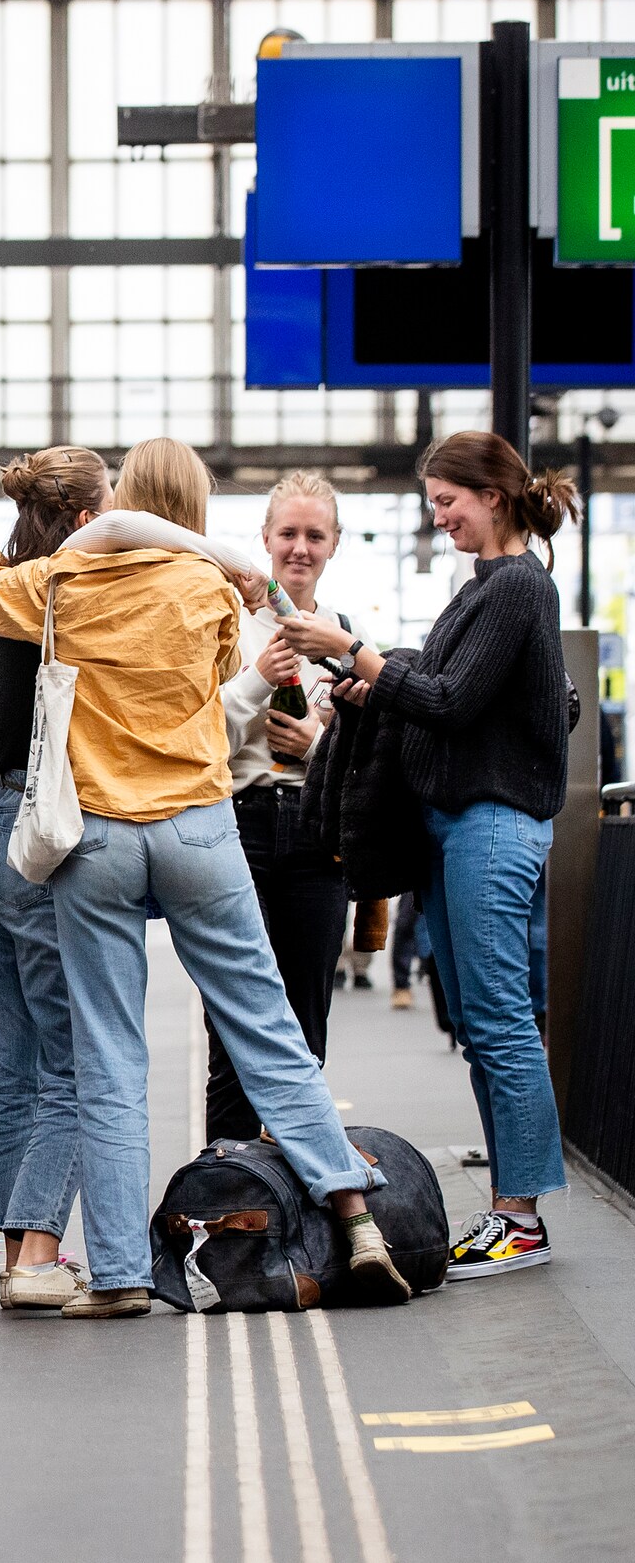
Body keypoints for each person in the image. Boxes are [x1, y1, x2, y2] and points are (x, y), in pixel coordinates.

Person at [0, 437, 408, 1318]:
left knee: (111, 1054)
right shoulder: (207, 588)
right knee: (270, 1029)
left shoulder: (58, 586)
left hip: (99, 839)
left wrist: (88, 543)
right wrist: (202, 554)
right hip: (201, 826)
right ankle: (354, 1217)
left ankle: (120, 1274)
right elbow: (227, 662)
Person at [281, 431, 580, 1278]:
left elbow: (448, 700)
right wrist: (379, 683)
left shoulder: (519, 586)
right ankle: (511, 1208)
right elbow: (462, 697)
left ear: (492, 494)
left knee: (499, 1022)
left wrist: (350, 652)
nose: (439, 516)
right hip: (464, 824)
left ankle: (521, 1215)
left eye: (448, 500)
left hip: (492, 824)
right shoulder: (491, 589)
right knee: (483, 1025)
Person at [0, 447, 104, 1312]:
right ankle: (41, 1251)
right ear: (88, 520)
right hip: (37, 843)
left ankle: (19, 1255)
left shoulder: (8, 588)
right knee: (79, 1062)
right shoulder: (69, 597)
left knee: (18, 1059)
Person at [204, 471, 352, 1141]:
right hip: (239, 823)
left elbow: (361, 751)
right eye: (288, 533)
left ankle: (300, 1194)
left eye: (314, 534)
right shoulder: (229, 625)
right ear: (264, 539)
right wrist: (252, 701)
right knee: (234, 1027)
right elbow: (196, 733)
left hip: (317, 836)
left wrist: (318, 742)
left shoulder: (344, 635)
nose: (300, 547)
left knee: (307, 1023)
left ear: (334, 544)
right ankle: (227, 1201)